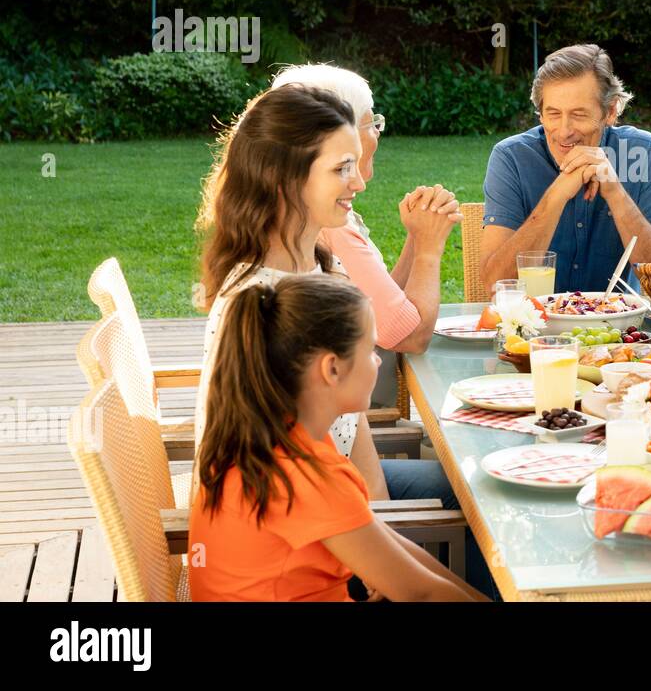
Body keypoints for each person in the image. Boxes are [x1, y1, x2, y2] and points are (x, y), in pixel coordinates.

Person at [189, 273, 484, 601]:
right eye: (371, 349)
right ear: (331, 369)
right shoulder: (311, 476)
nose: (377, 361)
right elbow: (421, 593)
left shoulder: (277, 437)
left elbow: (406, 560)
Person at [195, 84, 390, 500]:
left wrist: (379, 497)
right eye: (341, 169)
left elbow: (350, 423)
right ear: (284, 179)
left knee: (477, 491)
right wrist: (384, 521)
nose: (359, 183)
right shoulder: (267, 305)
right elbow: (280, 489)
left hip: (345, 488)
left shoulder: (317, 263)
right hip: (311, 529)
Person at [270, 64, 459, 412]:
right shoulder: (327, 224)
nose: (377, 132)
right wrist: (429, 252)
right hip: (369, 416)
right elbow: (408, 335)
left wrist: (418, 237)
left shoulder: (302, 210)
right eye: (371, 122)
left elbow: (385, 308)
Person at [480, 44, 651, 293]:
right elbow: (494, 283)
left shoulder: (643, 151)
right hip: (535, 326)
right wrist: (556, 196)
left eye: (579, 115)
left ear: (609, 111)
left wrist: (616, 194)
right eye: (553, 113)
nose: (564, 131)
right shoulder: (511, 157)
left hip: (620, 326)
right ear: (540, 113)